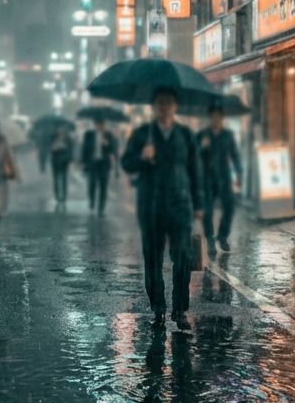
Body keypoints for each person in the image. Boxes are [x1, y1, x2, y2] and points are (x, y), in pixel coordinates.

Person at [121, 87, 204, 330]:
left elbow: (195, 171)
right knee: (153, 260)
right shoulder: (141, 135)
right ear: (154, 107)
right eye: (160, 102)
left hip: (180, 203)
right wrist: (142, 157)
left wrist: (198, 203)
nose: (164, 106)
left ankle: (179, 310)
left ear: (175, 106)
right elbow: (127, 163)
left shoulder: (186, 135)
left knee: (182, 257)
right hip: (151, 205)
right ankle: (158, 309)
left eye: (169, 102)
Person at [197, 104, 243, 254]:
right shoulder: (203, 135)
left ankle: (222, 236)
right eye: (213, 116)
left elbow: (235, 155)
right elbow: (192, 154)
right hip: (207, 179)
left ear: (222, 118)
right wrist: (201, 147)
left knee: (229, 207)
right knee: (208, 211)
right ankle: (210, 238)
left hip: (224, 177)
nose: (216, 119)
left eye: (219, 116)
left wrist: (239, 174)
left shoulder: (228, 135)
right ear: (210, 118)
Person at [80, 119, 118, 214]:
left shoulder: (108, 135)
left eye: (102, 124)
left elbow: (113, 149)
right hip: (93, 164)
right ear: (95, 124)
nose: (100, 126)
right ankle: (92, 200)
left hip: (104, 164)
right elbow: (85, 148)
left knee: (103, 186)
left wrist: (107, 144)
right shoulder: (89, 134)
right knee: (92, 183)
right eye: (98, 124)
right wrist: (83, 162)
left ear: (104, 124)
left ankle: (101, 208)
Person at [50, 125, 75, 206]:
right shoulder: (53, 137)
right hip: (55, 160)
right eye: (58, 128)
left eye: (61, 128)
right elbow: (49, 147)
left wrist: (69, 157)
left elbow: (71, 148)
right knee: (56, 178)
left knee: (64, 178)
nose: (60, 130)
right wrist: (53, 148)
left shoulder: (67, 138)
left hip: (64, 160)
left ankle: (64, 196)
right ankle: (57, 195)